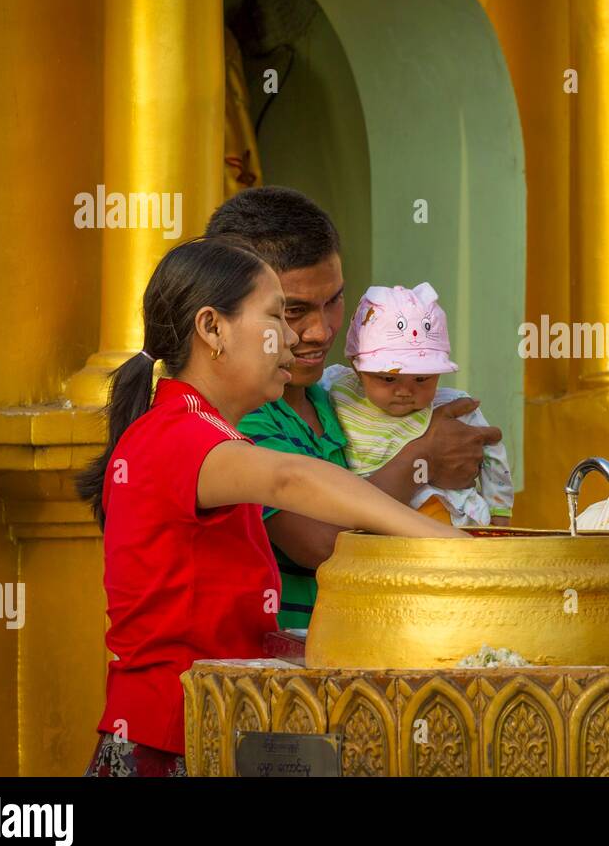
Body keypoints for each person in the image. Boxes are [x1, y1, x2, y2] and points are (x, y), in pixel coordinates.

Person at [78, 236, 465, 776]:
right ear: (213, 329)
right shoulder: (175, 433)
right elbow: (289, 478)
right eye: (276, 316)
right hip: (169, 736)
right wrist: (451, 547)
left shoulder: (205, 431)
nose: (294, 339)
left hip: (210, 721)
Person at [204, 187, 501, 628]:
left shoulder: (338, 399)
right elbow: (324, 543)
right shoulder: (233, 416)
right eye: (293, 310)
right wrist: (423, 458)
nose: (321, 331)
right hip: (264, 662)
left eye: (334, 301)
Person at [328, 281, 513, 527]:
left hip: (447, 519)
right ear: (357, 368)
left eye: (422, 378)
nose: (405, 390)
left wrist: (500, 512)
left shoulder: (453, 407)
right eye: (388, 378)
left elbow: (492, 452)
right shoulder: (336, 390)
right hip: (369, 528)